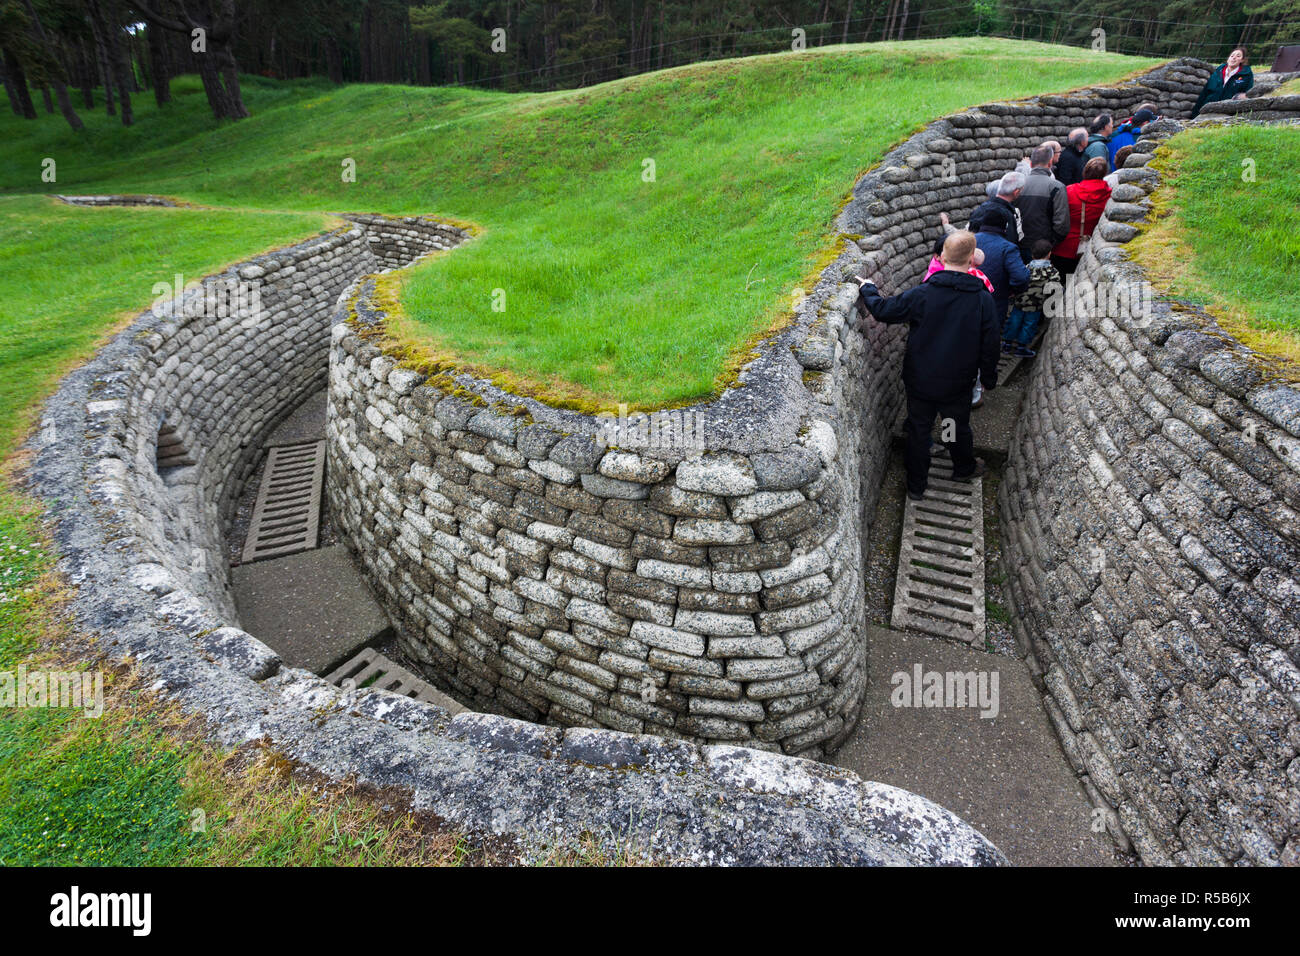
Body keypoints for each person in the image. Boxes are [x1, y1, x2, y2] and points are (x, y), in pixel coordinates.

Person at [852, 231, 999, 500]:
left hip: (921, 380)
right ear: (971, 260)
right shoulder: (982, 300)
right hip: (957, 383)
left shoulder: (924, 294)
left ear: (942, 256)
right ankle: (962, 467)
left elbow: (884, 311)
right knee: (953, 424)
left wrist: (868, 288)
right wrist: (988, 379)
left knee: (919, 429)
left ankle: (917, 485)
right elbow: (990, 345)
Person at [1052, 156, 1112, 276]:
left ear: (1085, 172)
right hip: (1092, 247)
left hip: (1065, 247)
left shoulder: (1069, 191)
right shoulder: (1109, 195)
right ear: (1105, 173)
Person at [1003, 239, 1061, 357]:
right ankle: (1021, 348)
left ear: (1032, 254)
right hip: (1036, 305)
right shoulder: (1052, 272)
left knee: (1013, 321)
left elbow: (1017, 281)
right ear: (1049, 254)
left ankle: (1007, 345)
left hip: (1019, 303)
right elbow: (1055, 290)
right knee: (1029, 326)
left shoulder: (1025, 268)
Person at [1015, 143, 1070, 262]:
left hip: (1019, 245)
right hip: (1044, 248)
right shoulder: (1056, 187)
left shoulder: (1017, 185)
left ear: (1030, 163)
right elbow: (1062, 224)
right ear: (1050, 163)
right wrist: (1051, 243)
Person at [1192, 47, 1254, 117]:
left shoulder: (1246, 75)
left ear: (1242, 60)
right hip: (1209, 110)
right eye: (1232, 55)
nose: (1234, 58)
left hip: (1229, 112)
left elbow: (1248, 94)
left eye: (1238, 56)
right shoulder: (1218, 72)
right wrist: (1195, 114)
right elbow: (1205, 92)